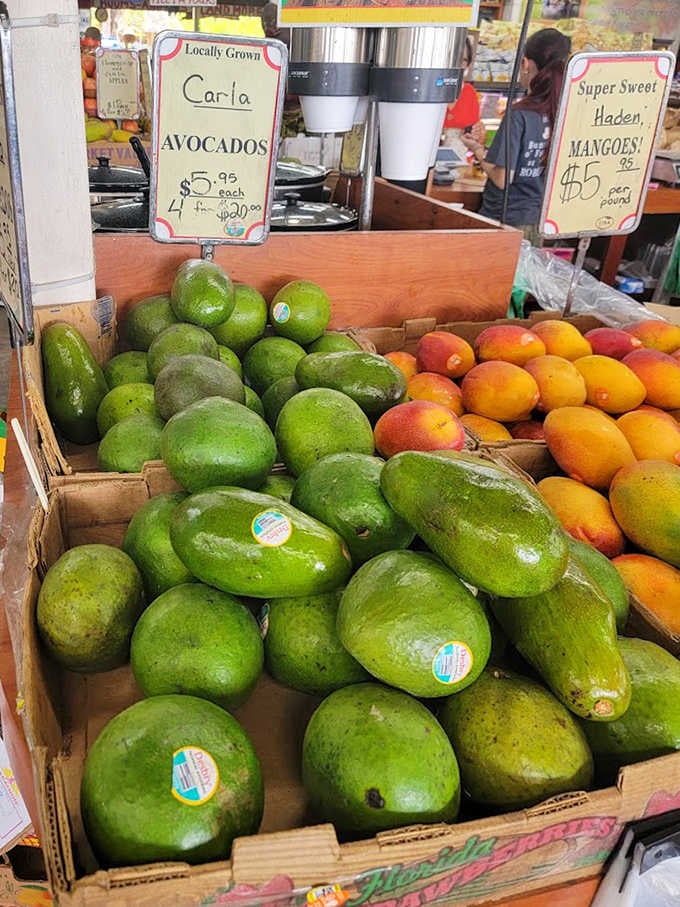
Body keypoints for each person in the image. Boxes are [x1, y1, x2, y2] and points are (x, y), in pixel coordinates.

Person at [462, 28, 571, 233]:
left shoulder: (519, 114)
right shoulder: (562, 110)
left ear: (525, 64)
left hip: (503, 220)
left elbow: (502, 179)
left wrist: (477, 151)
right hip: (538, 218)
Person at [441, 37, 485, 157]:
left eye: (463, 60)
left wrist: (478, 134)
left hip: (457, 164)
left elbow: (475, 135)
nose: (457, 65)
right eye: (452, 58)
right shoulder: (428, 91)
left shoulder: (469, 92)